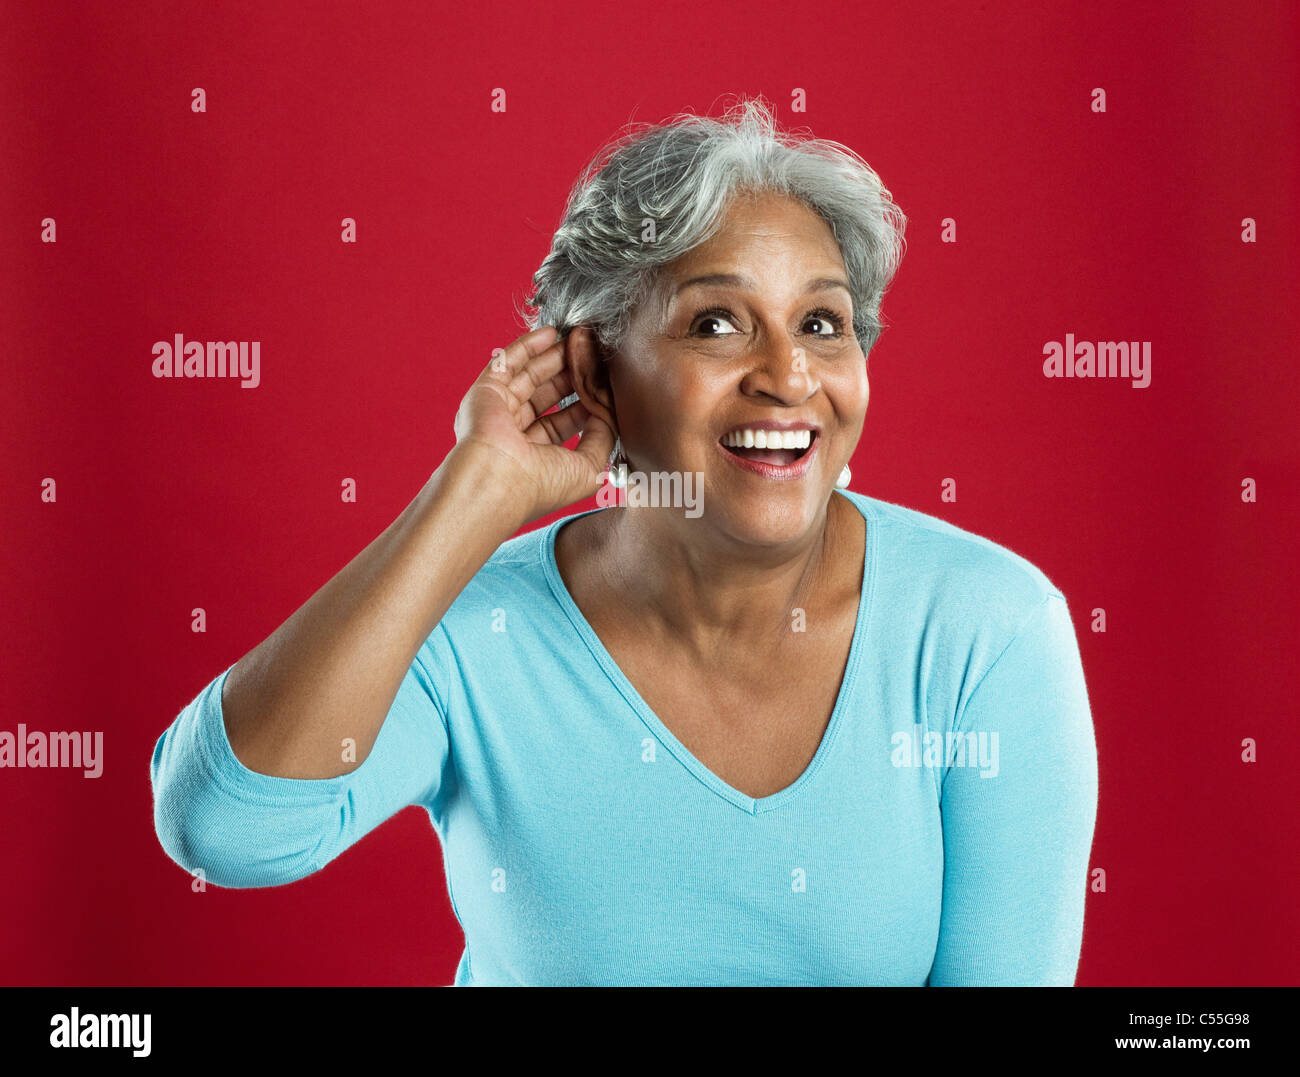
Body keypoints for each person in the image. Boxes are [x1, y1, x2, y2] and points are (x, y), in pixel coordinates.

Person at [150, 97, 1098, 986]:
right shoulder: (476, 627)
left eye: (822, 323)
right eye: (716, 323)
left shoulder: (987, 631)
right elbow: (228, 829)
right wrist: (472, 494)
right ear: (592, 367)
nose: (787, 375)